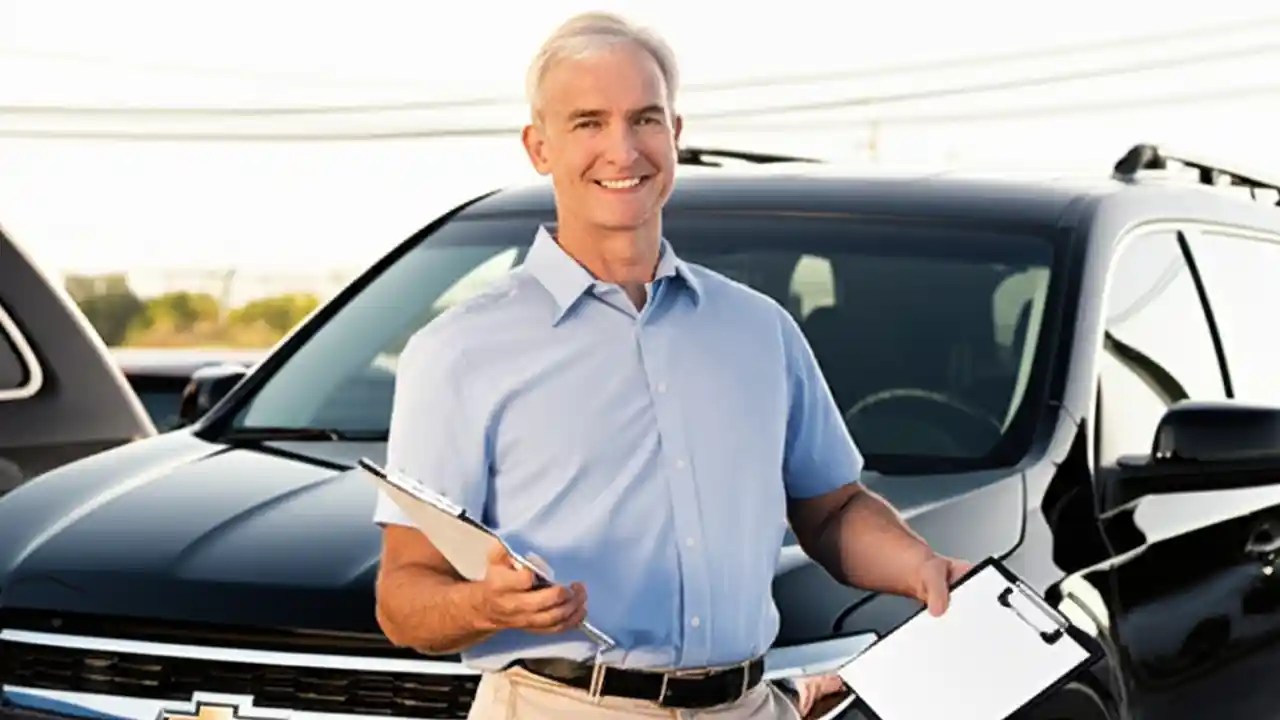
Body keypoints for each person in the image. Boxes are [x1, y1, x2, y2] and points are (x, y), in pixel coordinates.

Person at [372, 11, 972, 719]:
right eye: (588, 123)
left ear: (676, 135)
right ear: (539, 147)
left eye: (645, 119)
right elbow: (402, 595)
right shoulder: (459, 353)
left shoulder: (760, 330)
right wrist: (481, 602)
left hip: (749, 705)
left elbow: (832, 511)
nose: (622, 150)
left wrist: (919, 567)